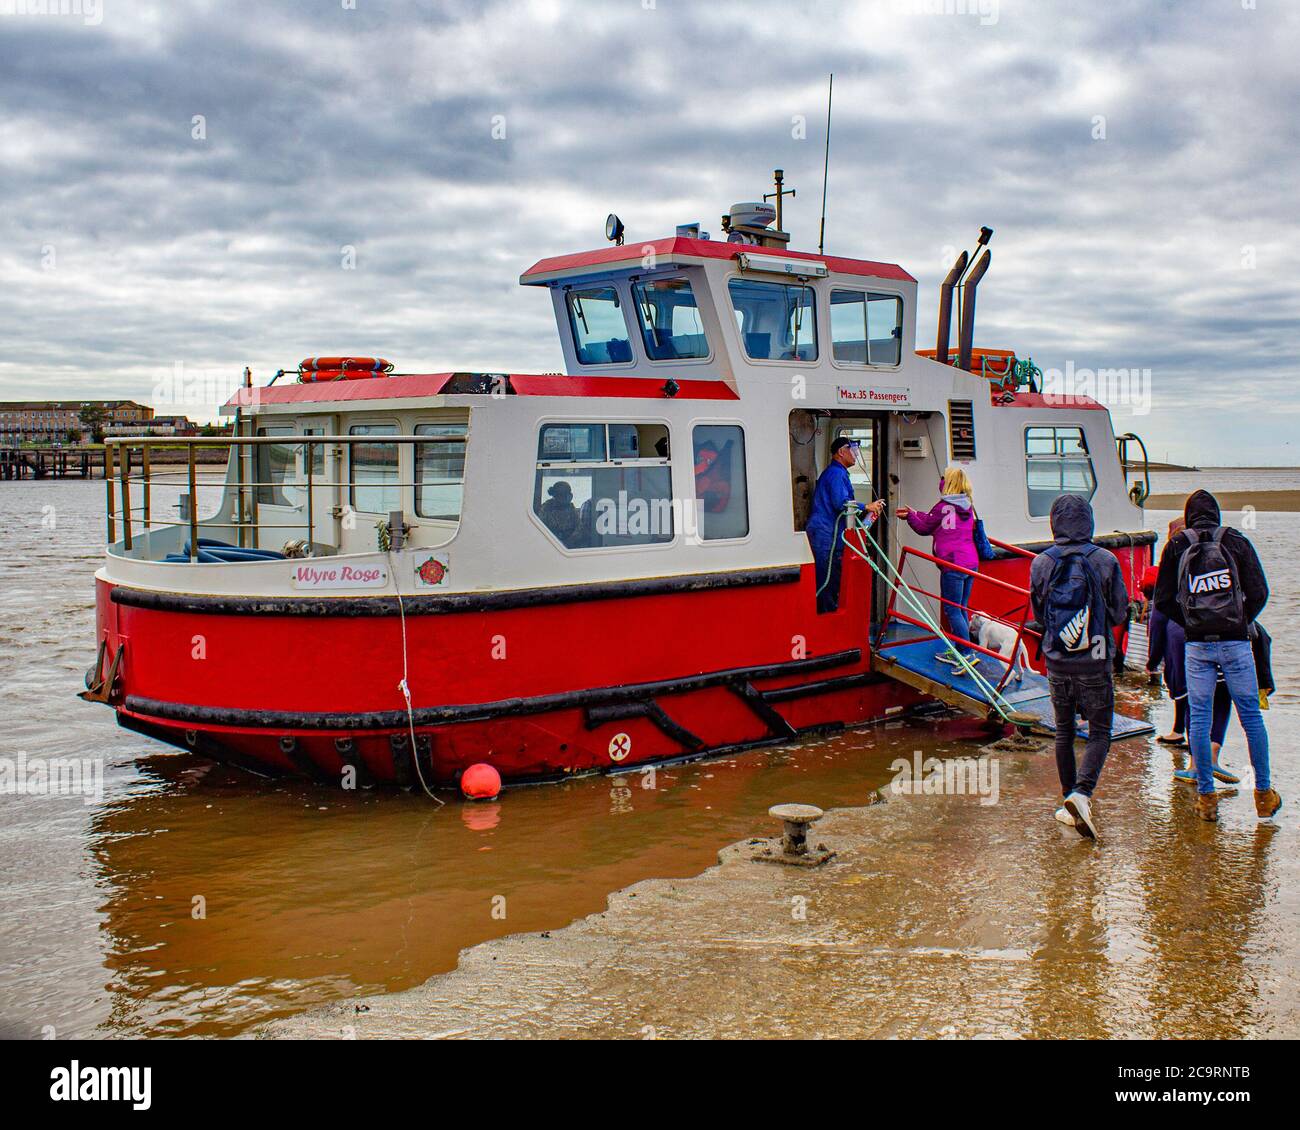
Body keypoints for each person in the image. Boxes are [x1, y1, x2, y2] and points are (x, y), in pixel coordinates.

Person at [1153, 489, 1280, 823]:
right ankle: (1263, 795)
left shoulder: (1177, 545)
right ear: (1217, 514)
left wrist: (1192, 623)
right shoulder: (1236, 541)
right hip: (1237, 644)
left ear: (1189, 514)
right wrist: (1239, 621)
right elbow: (1260, 592)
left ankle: (1207, 796)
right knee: (1251, 717)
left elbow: (1163, 600)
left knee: (1199, 717)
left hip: (1197, 646)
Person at [1029, 494, 1130, 840]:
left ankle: (1068, 800)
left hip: (1057, 659)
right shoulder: (1105, 559)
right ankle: (1082, 794)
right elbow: (1119, 612)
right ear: (1089, 521)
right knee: (1100, 731)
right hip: (1095, 659)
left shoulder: (1042, 562)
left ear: (1054, 522)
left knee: (1064, 731)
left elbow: (1040, 615)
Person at [896, 466, 980, 670]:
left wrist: (909, 518)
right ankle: (962, 649)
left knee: (952, 609)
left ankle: (966, 653)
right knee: (961, 607)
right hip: (971, 563)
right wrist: (915, 513)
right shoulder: (968, 506)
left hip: (952, 564)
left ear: (948, 483)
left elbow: (925, 528)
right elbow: (935, 520)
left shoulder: (943, 506)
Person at [806, 437, 884, 613]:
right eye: (852, 450)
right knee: (828, 579)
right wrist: (867, 507)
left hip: (829, 534)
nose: (855, 454)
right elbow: (842, 503)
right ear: (841, 452)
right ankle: (826, 620)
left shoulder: (837, 473)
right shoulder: (836, 474)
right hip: (827, 535)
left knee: (831, 578)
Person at [539, 480, 580, 546]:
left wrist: (570, 541)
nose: (568, 497)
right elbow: (541, 530)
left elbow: (579, 528)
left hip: (569, 546)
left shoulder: (571, 508)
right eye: (562, 495)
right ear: (555, 496)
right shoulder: (546, 508)